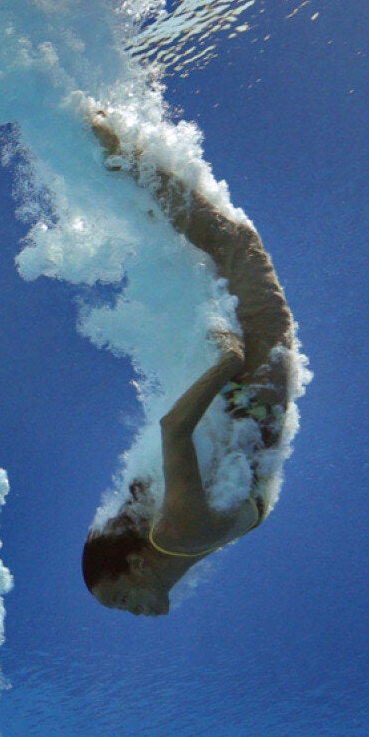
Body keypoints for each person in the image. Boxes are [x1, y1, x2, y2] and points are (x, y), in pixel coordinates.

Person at [82, 110, 297, 617]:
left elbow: (175, 430)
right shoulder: (184, 541)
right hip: (253, 390)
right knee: (223, 249)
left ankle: (130, 162)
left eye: (119, 598)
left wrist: (229, 361)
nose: (130, 610)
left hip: (253, 374)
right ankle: (134, 174)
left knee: (233, 244)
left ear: (134, 569)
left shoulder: (180, 534)